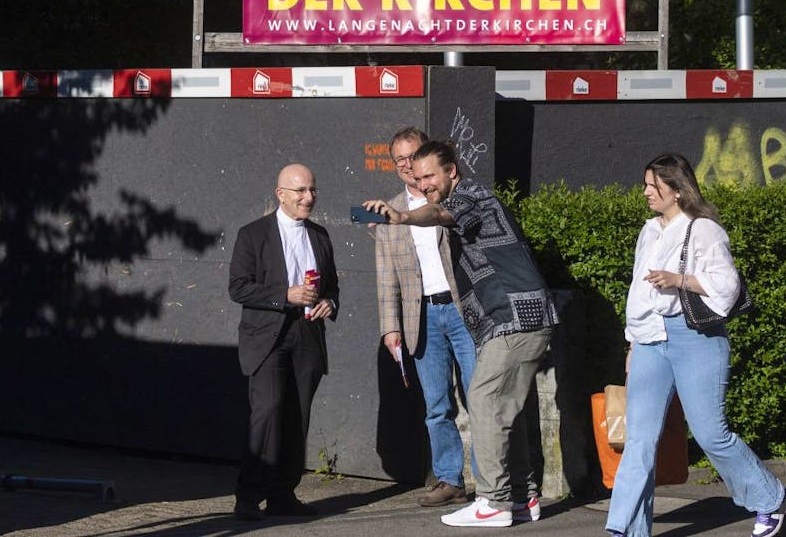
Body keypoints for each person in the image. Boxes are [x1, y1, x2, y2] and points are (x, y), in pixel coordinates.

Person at [364, 140, 559, 528]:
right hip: (510, 320)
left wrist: (403, 218)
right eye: (417, 179)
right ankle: (522, 497)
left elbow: (439, 212)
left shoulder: (472, 196)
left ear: (452, 170)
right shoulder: (462, 199)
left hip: (515, 317)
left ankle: (494, 501)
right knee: (505, 409)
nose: (423, 185)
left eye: (430, 176)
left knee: (484, 401)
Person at [605, 153, 786, 537]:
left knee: (710, 434)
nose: (646, 193)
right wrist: (633, 344)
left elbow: (727, 286)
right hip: (650, 340)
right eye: (645, 186)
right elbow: (637, 292)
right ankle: (624, 530)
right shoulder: (649, 230)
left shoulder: (702, 229)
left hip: (695, 337)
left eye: (653, 187)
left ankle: (769, 497)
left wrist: (679, 279)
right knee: (638, 439)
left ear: (675, 189)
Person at [228, 163, 339, 521]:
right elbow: (238, 287)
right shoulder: (253, 234)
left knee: (297, 416)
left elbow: (332, 284)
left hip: (307, 333)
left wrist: (329, 302)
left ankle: (283, 493)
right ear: (281, 194)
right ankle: (248, 495)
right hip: (268, 336)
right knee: (268, 412)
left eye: (313, 190)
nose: (309, 197)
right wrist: (284, 294)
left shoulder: (320, 235)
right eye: (301, 191)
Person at [375, 127, 476, 507]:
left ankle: (490, 481)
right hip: (423, 317)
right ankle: (450, 479)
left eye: (411, 156)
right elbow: (387, 276)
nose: (405, 165)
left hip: (462, 309)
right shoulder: (388, 210)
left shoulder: (452, 199)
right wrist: (391, 326)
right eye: (398, 159)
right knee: (437, 404)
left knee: (479, 396)